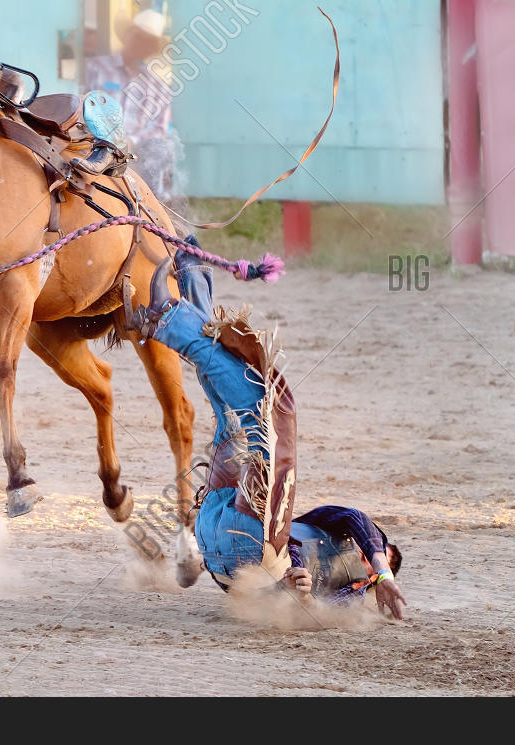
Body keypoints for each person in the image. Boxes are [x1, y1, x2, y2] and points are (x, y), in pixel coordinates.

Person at [130, 256, 407, 619]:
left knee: (265, 405)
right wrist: (381, 567)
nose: (364, 557)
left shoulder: (353, 592)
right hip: (228, 530)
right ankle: (194, 284)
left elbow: (308, 608)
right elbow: (354, 517)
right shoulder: (340, 532)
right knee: (230, 416)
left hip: (246, 550)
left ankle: (168, 317)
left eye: (375, 563)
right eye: (375, 552)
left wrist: (292, 592)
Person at [83, 9, 179, 200]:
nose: (141, 43)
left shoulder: (158, 87)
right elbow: (78, 102)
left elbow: (160, 128)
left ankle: (151, 208)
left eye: (148, 41)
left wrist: (132, 141)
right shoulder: (94, 68)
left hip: (136, 154)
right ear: (127, 35)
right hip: (91, 144)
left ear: (152, 48)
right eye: (138, 36)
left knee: (162, 147)